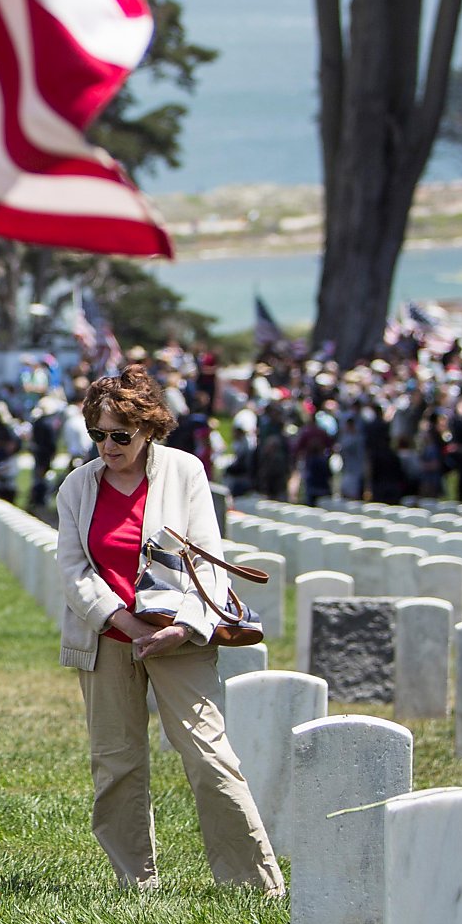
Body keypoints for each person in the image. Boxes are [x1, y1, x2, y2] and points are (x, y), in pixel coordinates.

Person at [55, 364, 283, 895]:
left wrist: (184, 627)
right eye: (97, 435)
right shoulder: (77, 487)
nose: (107, 447)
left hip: (179, 634)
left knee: (210, 756)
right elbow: (73, 570)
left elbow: (208, 556)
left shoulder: (184, 473)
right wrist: (122, 620)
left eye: (119, 436)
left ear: (149, 428)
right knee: (116, 764)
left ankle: (254, 883)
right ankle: (137, 882)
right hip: (108, 640)